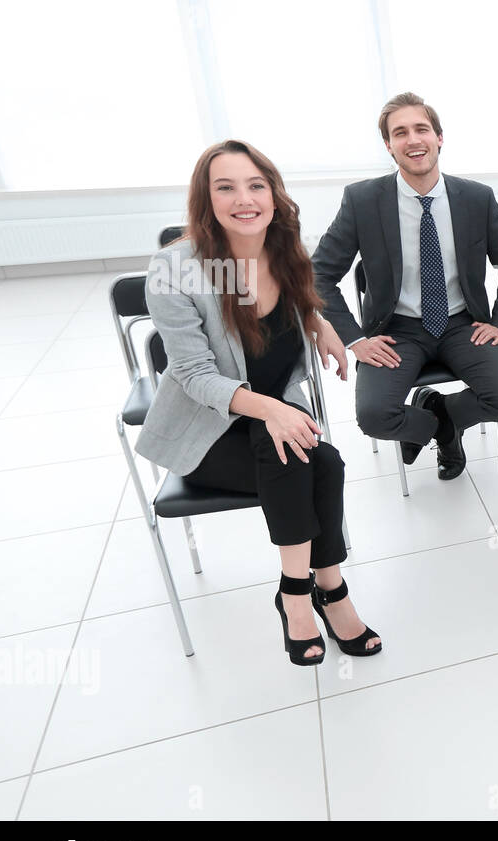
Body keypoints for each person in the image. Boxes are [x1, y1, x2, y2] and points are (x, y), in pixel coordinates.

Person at [136, 140, 380, 667]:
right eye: (225, 187)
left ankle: (306, 591)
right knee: (304, 455)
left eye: (255, 185)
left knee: (318, 457)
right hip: (208, 433)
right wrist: (270, 410)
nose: (243, 199)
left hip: (275, 420)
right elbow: (194, 374)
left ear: (273, 194)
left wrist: (322, 326)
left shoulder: (284, 248)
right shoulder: (174, 268)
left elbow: (294, 306)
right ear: (206, 198)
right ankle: (316, 594)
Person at [312, 92, 498, 479]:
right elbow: (319, 275)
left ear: (439, 138)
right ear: (389, 146)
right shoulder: (362, 200)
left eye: (421, 129)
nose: (413, 140)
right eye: (400, 133)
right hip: (395, 330)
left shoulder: (476, 198)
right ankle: (439, 428)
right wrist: (356, 339)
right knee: (375, 417)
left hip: (463, 324)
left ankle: (443, 411)